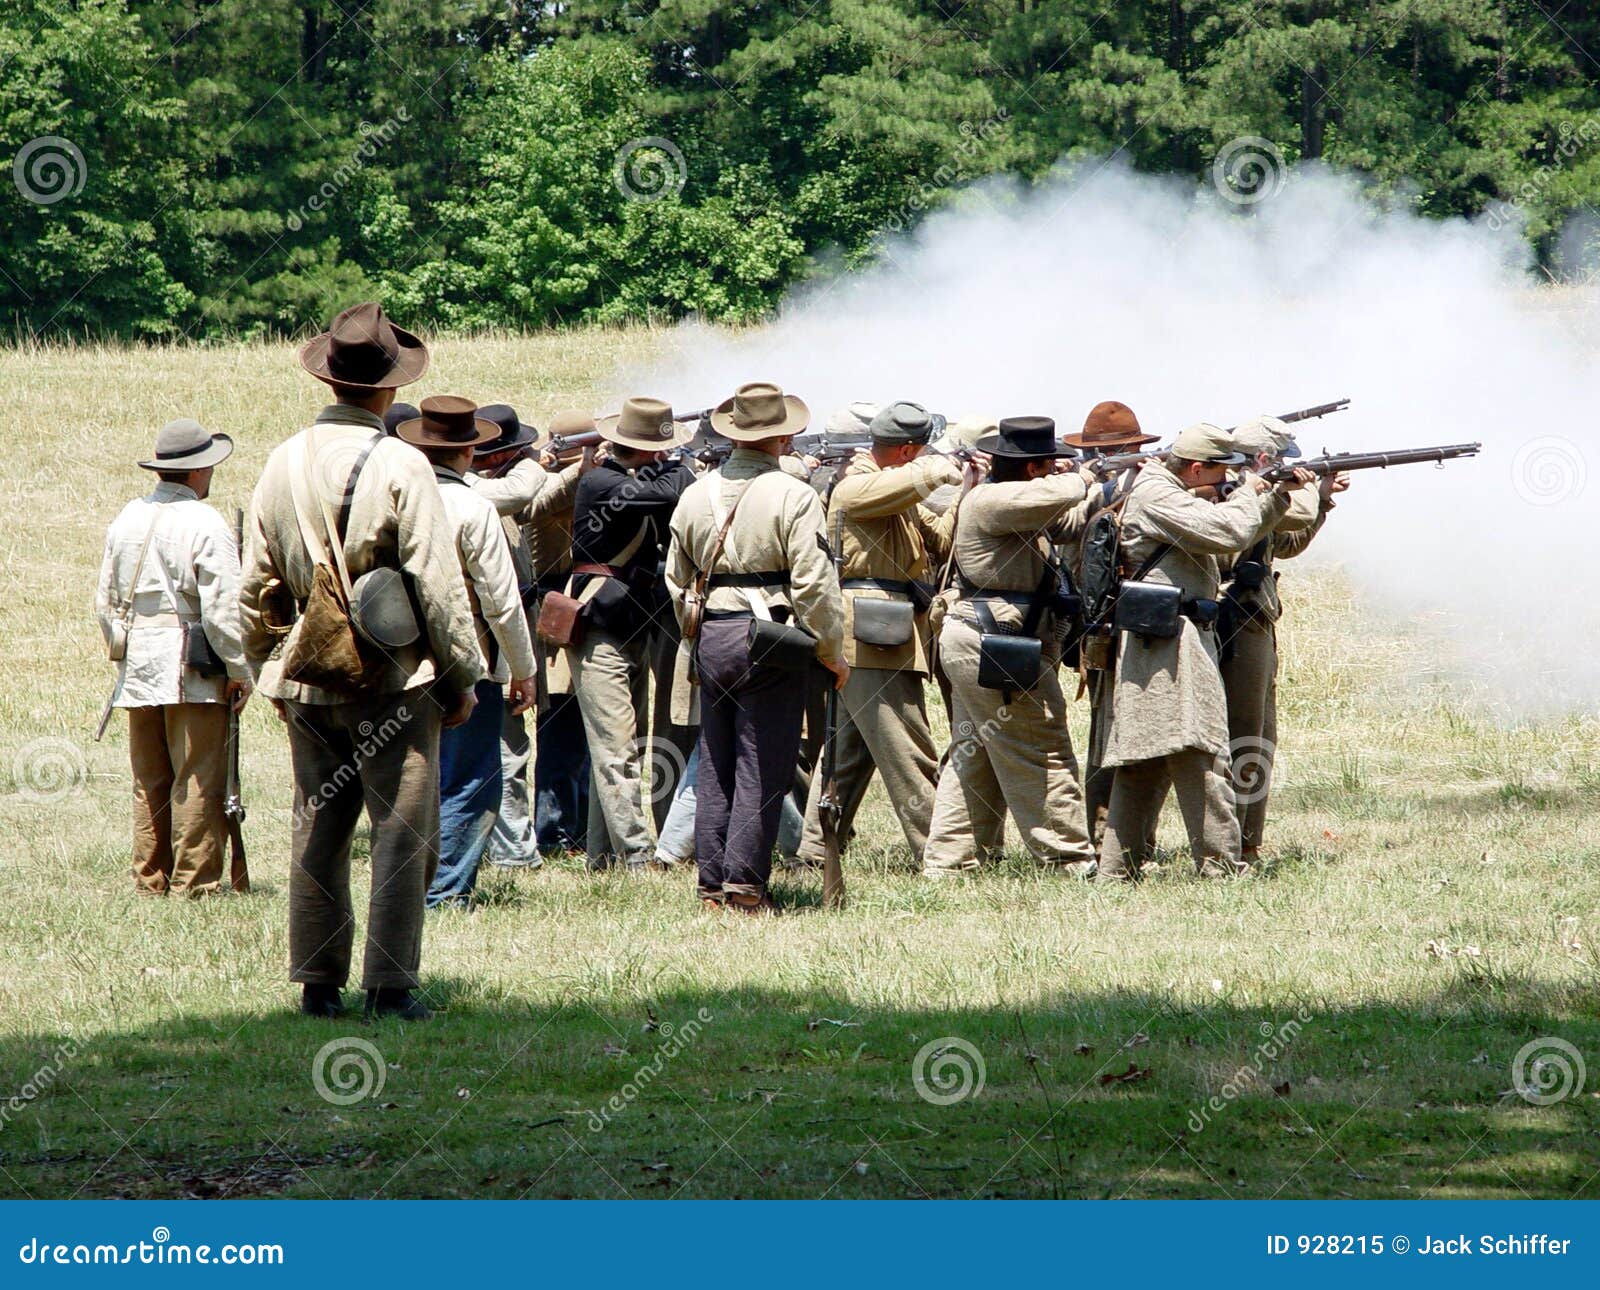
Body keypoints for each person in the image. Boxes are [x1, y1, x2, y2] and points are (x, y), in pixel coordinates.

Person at [239, 302, 483, 1021]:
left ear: (329, 379)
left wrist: (269, 671)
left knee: (318, 832)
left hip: (308, 677)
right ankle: (390, 987)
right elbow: (437, 585)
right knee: (402, 836)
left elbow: (254, 586)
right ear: (391, 388)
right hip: (393, 679)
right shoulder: (405, 463)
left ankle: (318, 985)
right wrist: (462, 678)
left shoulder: (281, 462)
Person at [1097, 422, 1310, 882]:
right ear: (1196, 469)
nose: (1225, 480)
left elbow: (1238, 536)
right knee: (1203, 752)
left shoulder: (1165, 489)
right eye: (1219, 472)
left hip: (1170, 635)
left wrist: (1276, 497)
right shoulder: (1158, 495)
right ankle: (1221, 866)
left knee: (1145, 758)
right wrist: (1249, 492)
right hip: (1171, 639)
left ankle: (1116, 870)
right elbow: (1227, 531)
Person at [665, 382, 846, 913]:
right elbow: (814, 585)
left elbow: (676, 581)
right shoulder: (795, 495)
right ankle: (744, 888)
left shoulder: (695, 494)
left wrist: (698, 635)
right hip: (770, 640)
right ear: (784, 437)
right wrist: (830, 650)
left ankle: (712, 886)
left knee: (716, 764)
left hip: (710, 638)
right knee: (761, 766)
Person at [794, 400, 973, 869]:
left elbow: (943, 540)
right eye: (921, 452)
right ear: (908, 450)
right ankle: (944, 855)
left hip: (882, 630)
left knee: (847, 754)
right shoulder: (857, 484)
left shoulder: (892, 489)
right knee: (908, 749)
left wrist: (970, 484)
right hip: (873, 632)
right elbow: (891, 487)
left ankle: (813, 851)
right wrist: (940, 469)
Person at [922, 417, 1100, 878]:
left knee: (974, 756)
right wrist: (1081, 476)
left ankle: (951, 861)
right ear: (1033, 469)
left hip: (984, 641)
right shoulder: (993, 499)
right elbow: (1064, 493)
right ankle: (1068, 860)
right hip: (994, 644)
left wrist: (1105, 486)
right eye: (1049, 465)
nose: (1056, 470)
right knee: (1041, 749)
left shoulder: (1014, 500)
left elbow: (1070, 522)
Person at [95, 418, 252, 897]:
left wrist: (124, 651)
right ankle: (195, 884)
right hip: (192, 666)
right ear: (199, 470)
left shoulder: (126, 517)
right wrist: (239, 669)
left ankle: (151, 879)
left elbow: (104, 602)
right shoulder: (207, 523)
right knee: (198, 776)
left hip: (138, 665)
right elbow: (222, 610)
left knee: (150, 778)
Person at [394, 397, 539, 907]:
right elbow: (501, 601)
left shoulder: (390, 499)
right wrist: (523, 668)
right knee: (471, 778)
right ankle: (446, 892)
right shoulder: (474, 507)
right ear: (469, 452)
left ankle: (406, 886)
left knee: (410, 778)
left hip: (396, 660)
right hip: (465, 659)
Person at [461, 403, 593, 868]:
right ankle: (530, 842)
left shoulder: (510, 481)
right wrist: (565, 467)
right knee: (511, 743)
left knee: (557, 734)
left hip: (532, 620)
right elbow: (530, 500)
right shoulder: (488, 488)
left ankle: (552, 831)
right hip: (507, 627)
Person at [568, 397, 696, 869]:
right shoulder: (601, 481)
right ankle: (638, 855)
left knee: (623, 747)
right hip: (599, 627)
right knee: (616, 750)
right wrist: (679, 463)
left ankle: (602, 855)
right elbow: (669, 493)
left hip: (633, 624)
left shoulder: (635, 478)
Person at [1220, 415, 1346, 866]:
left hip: (1252, 616)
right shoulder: (1233, 491)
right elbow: (1295, 514)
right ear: (1265, 458)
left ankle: (1245, 839)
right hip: (1237, 618)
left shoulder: (1258, 493)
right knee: (1246, 734)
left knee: (1257, 733)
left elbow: (1286, 543)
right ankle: (1235, 844)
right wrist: (1306, 492)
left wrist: (1323, 497)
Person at [1060, 399, 1163, 852]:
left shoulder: (1149, 486)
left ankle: (1131, 839)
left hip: (1136, 625)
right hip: (1109, 627)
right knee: (1109, 736)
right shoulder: (1091, 496)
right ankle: (1107, 840)